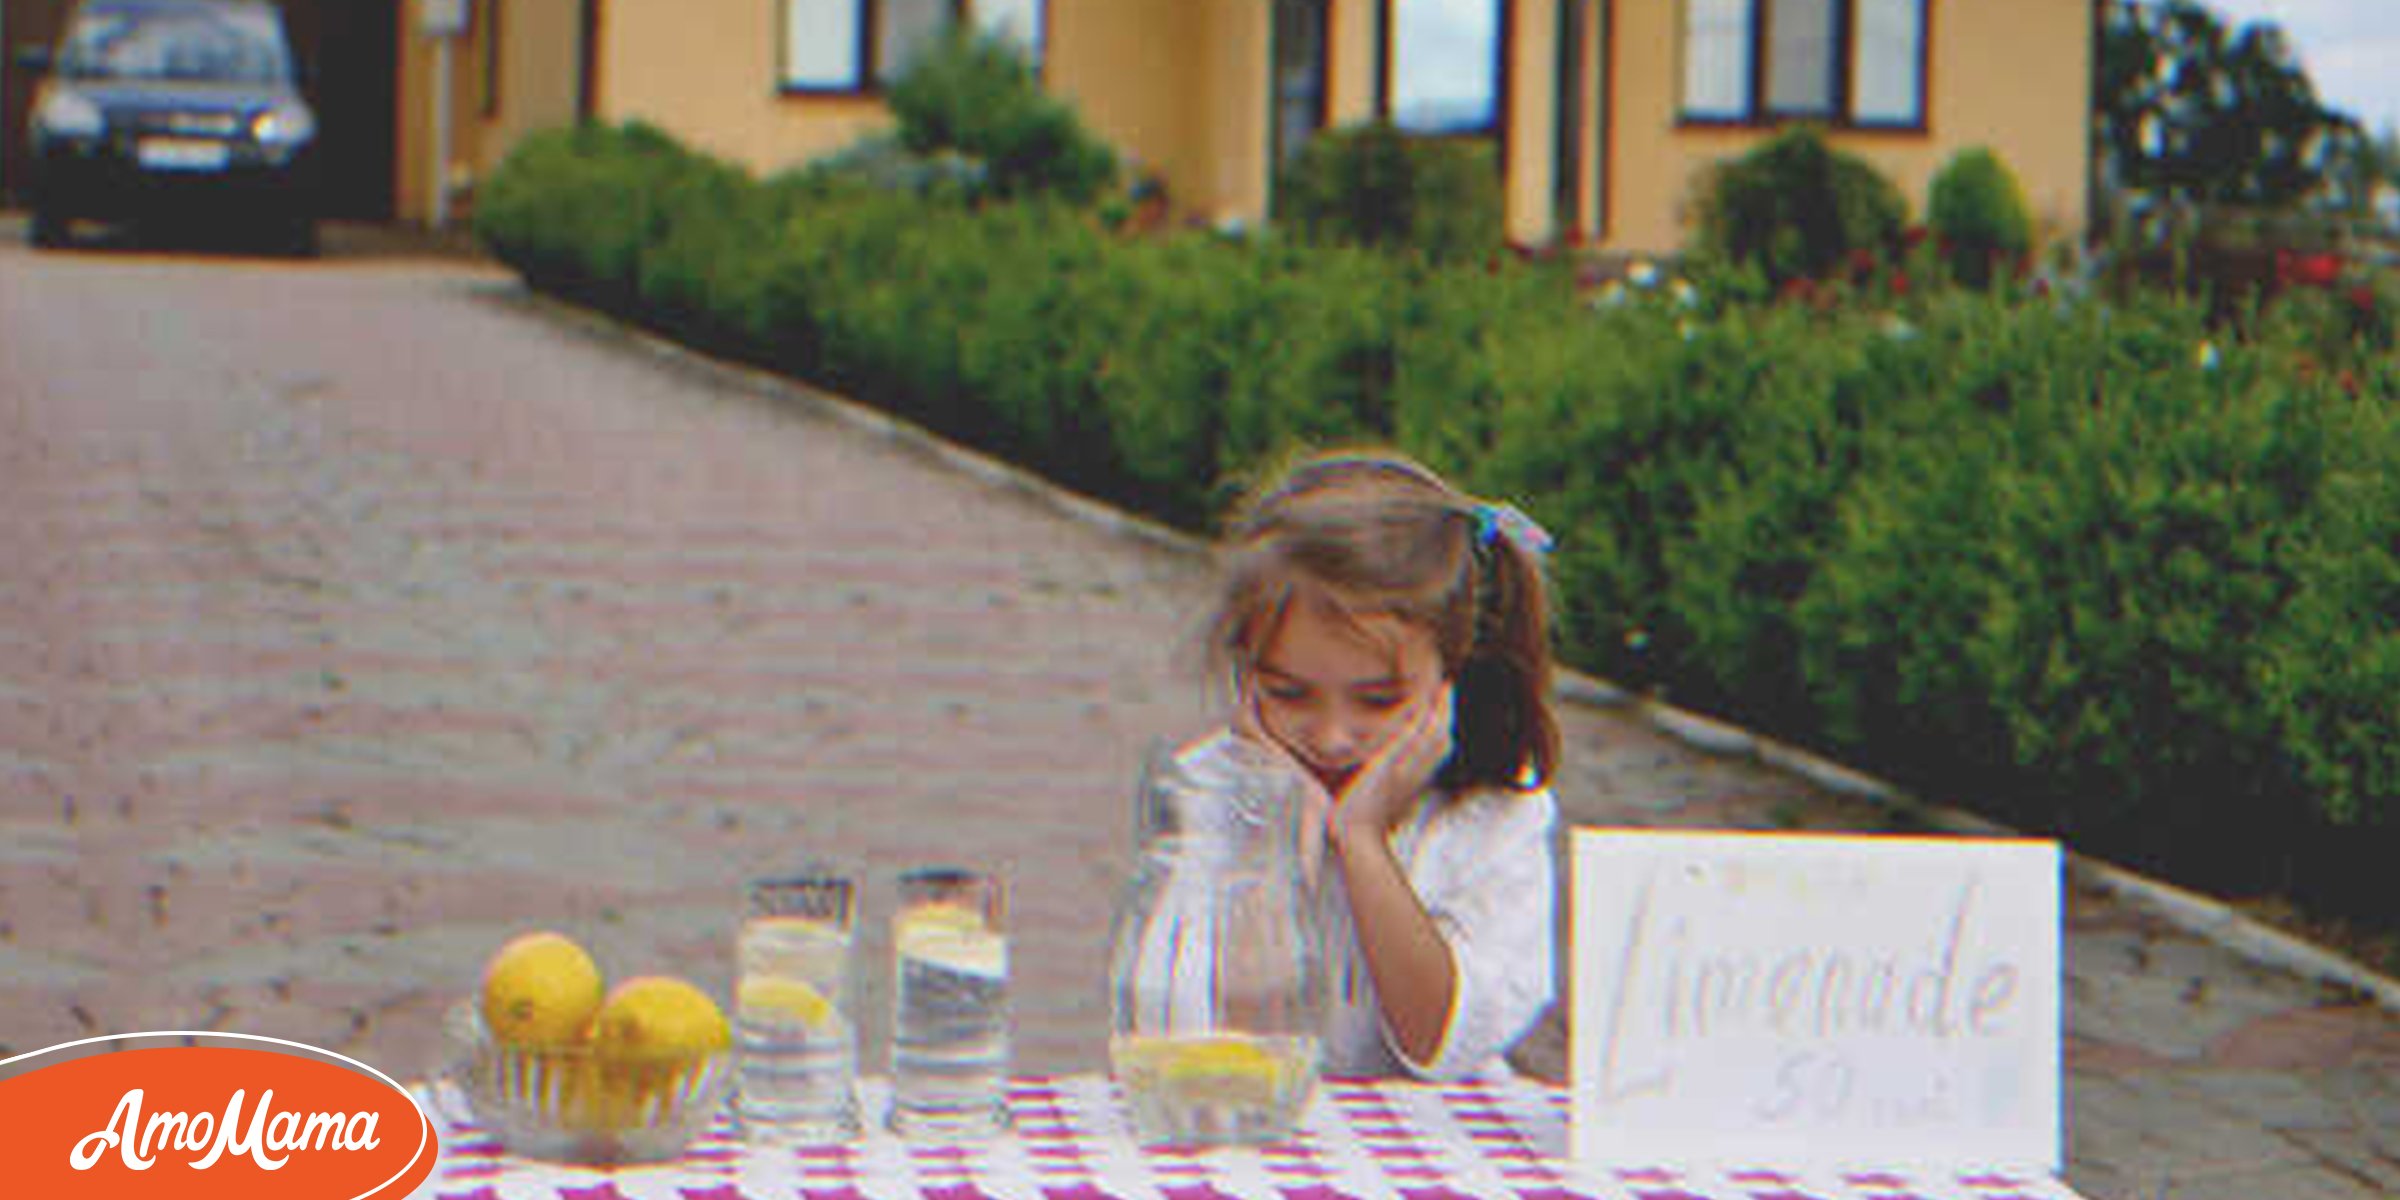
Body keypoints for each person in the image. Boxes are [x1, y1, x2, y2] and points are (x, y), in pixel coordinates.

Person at [1182, 448, 1560, 1081]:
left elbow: (1440, 1044)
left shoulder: (1494, 814)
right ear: (1244, 674)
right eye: (1288, 694)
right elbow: (1229, 1030)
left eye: (1379, 701)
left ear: (1450, 678)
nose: (1331, 738)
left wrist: (1361, 841)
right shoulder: (1204, 792)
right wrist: (1284, 826)